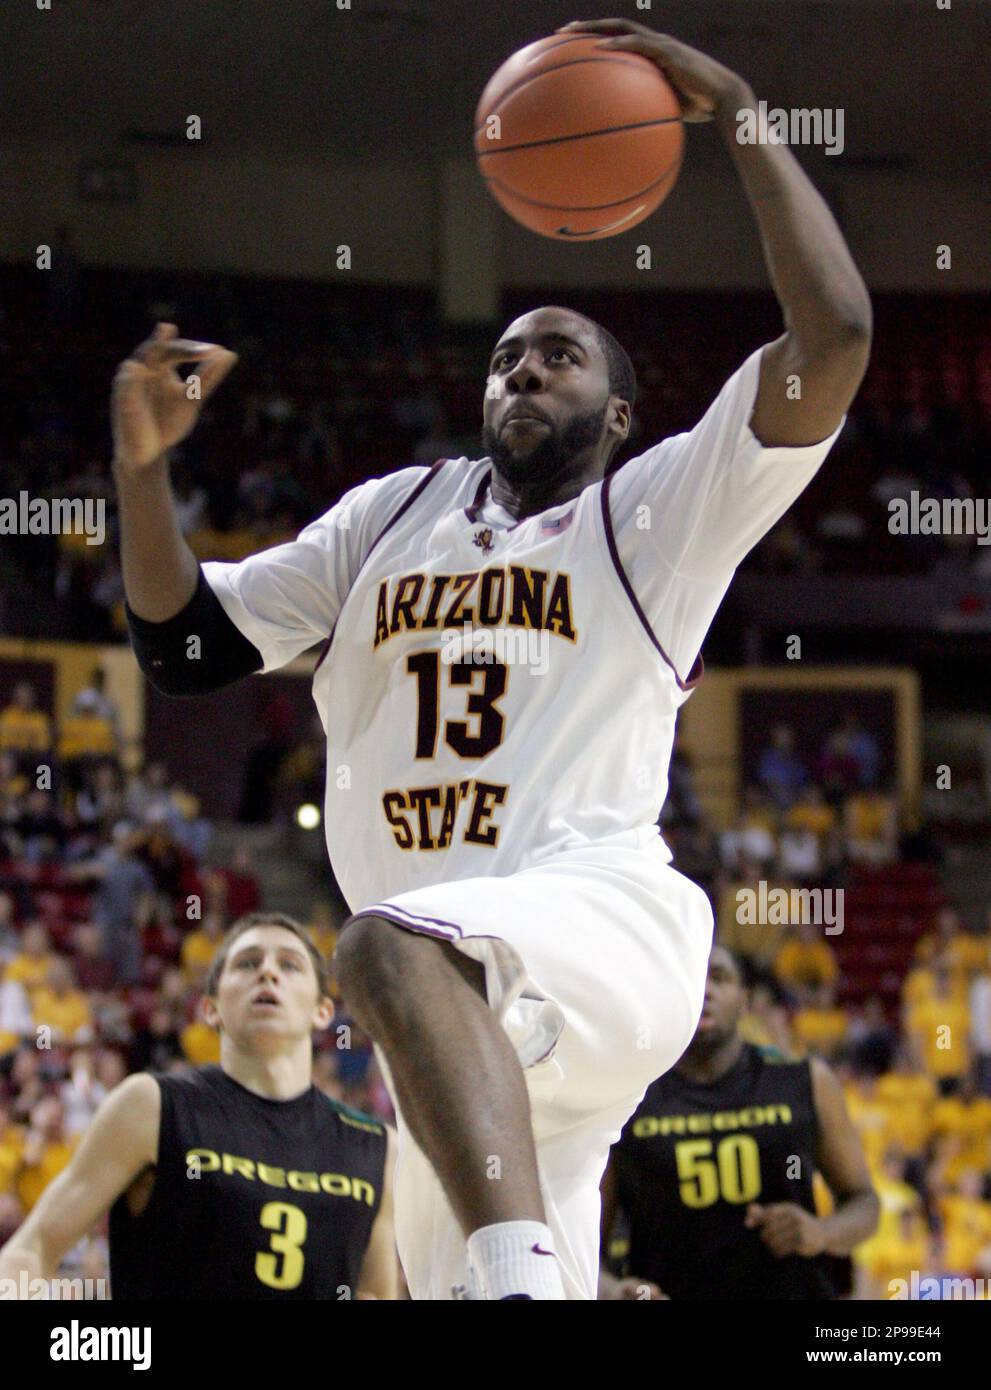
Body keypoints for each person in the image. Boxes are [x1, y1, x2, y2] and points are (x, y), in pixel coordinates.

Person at [109, 20, 871, 1301]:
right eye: (506, 354)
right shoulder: (388, 517)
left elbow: (835, 334)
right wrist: (141, 476)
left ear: (619, 413)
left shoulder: (655, 512)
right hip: (465, 1038)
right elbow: (186, 646)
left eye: (558, 357)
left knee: (381, 944)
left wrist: (741, 108)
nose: (522, 370)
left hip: (594, 927)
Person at [0, 913, 397, 1299]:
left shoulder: (375, 1145)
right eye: (247, 963)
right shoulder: (151, 1106)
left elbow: (374, 1293)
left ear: (323, 1011)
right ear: (210, 1007)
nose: (268, 973)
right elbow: (30, 1250)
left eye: (289, 965)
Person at [599, 947, 878, 1299]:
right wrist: (613, 1291)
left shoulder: (804, 1080)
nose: (705, 990)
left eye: (719, 977)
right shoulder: (627, 1097)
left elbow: (866, 1204)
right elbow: (585, 1248)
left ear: (745, 999)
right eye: (692, 978)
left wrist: (821, 1232)